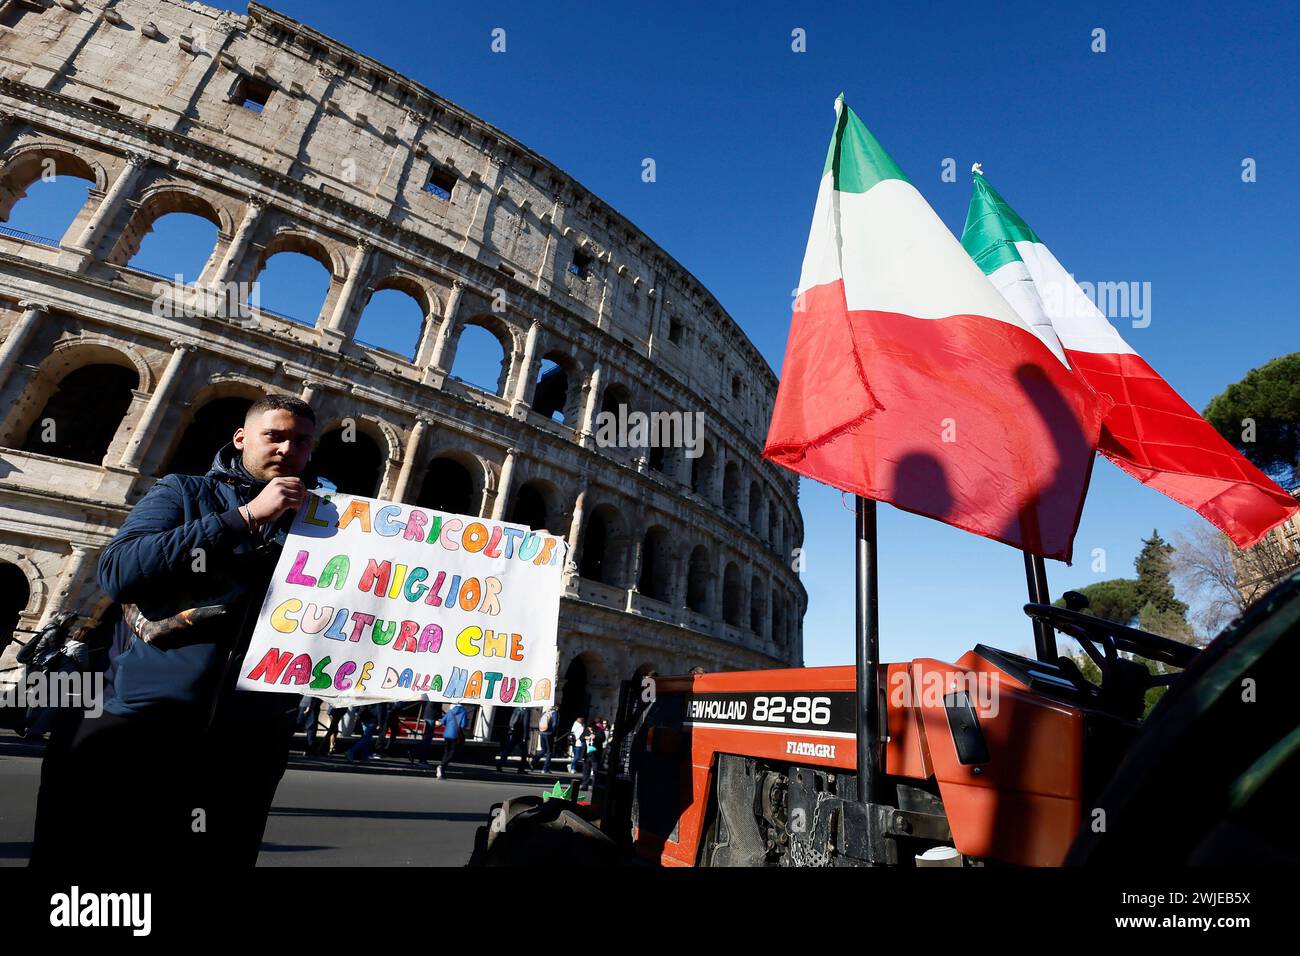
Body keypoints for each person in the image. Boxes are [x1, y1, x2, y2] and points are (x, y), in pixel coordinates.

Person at [29, 393, 317, 867]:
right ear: (241, 438)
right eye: (275, 436)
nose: (288, 450)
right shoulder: (183, 491)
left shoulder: (320, 524)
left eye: (302, 442)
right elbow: (120, 570)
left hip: (244, 742)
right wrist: (243, 518)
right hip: (136, 721)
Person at [434, 702, 469, 778]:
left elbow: (443, 721)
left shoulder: (450, 711)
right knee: (452, 753)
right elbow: (463, 725)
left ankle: (441, 772)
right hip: (455, 735)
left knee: (446, 752)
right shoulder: (463, 711)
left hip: (447, 734)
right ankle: (441, 766)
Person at [495, 705, 530, 773]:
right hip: (521, 733)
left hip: (514, 732)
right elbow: (525, 724)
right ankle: (521, 769)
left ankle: (500, 764)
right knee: (524, 752)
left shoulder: (516, 709)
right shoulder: (526, 711)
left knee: (508, 749)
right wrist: (525, 736)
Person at [579, 717, 606, 792]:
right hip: (587, 753)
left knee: (596, 770)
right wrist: (585, 737)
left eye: (591, 727)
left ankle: (595, 786)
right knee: (586, 770)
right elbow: (581, 738)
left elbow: (603, 738)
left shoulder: (599, 730)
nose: (590, 728)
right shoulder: (586, 730)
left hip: (595, 753)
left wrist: (595, 737)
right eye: (588, 727)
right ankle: (585, 785)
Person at [532, 703, 559, 773]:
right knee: (549, 752)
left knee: (543, 750)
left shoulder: (545, 712)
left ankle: (533, 762)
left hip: (542, 733)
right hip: (549, 733)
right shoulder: (554, 713)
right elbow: (555, 724)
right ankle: (545, 769)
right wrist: (553, 733)